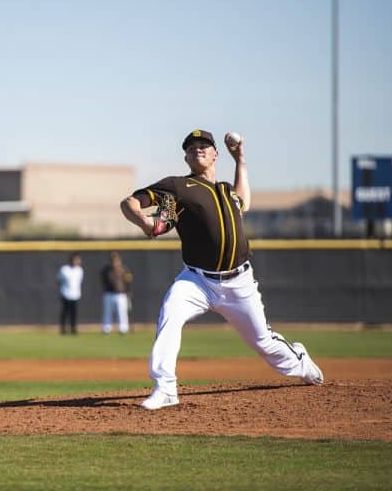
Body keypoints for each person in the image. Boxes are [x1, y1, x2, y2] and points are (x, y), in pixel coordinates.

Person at [120, 129, 324, 411]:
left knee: (263, 341)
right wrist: (145, 223)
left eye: (204, 145)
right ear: (186, 156)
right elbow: (129, 203)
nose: (198, 149)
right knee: (170, 312)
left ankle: (299, 362)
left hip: (239, 281)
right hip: (196, 281)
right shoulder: (178, 188)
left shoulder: (226, 190)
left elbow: (245, 201)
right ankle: (165, 388)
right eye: (191, 147)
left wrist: (240, 159)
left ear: (216, 154)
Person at [100, 251, 133, 334]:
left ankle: (123, 329)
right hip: (109, 293)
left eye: (116, 260)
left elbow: (128, 281)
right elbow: (102, 280)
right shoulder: (107, 270)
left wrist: (128, 293)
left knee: (122, 312)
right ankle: (106, 329)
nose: (115, 262)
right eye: (113, 260)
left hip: (121, 294)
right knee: (107, 312)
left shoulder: (124, 270)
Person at [57, 253, 83, 335]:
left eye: (78, 260)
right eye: (76, 259)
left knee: (74, 313)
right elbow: (58, 280)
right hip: (65, 293)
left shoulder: (80, 270)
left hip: (75, 294)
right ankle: (63, 329)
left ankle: (73, 329)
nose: (78, 261)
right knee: (65, 312)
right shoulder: (64, 269)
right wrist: (61, 289)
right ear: (72, 260)